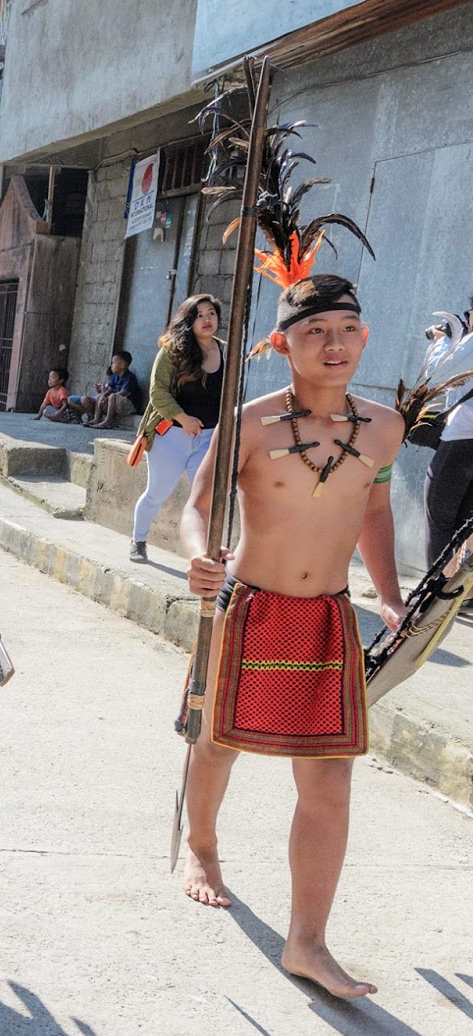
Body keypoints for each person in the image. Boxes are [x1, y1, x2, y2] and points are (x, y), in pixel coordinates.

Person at [180, 273, 404, 998]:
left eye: (345, 329)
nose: (333, 344)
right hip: (250, 607)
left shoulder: (384, 427)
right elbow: (199, 504)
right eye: (315, 332)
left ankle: (307, 941)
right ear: (281, 345)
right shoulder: (249, 422)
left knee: (330, 779)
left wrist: (393, 596)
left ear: (364, 337)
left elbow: (374, 515)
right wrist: (195, 555)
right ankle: (202, 847)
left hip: (329, 617)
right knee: (216, 740)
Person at [129, 294, 224, 563]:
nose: (206, 320)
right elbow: (157, 392)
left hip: (208, 438)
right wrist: (183, 418)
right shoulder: (173, 351)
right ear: (188, 320)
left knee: (203, 498)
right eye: (199, 315)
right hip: (171, 435)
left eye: (211, 314)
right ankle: (138, 540)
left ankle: (206, 554)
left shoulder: (224, 350)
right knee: (157, 493)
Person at [422, 323, 473, 567]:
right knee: (465, 523)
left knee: (439, 521)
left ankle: (436, 597)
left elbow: (437, 377)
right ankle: (463, 595)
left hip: (462, 437)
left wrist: (442, 339)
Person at [74, 350, 145, 428]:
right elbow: (110, 388)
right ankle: (96, 419)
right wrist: (103, 395)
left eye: (113, 363)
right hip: (118, 402)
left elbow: (123, 392)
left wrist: (108, 397)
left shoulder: (130, 377)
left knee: (112, 396)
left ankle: (108, 421)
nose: (111, 365)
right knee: (100, 396)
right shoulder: (116, 376)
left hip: (131, 405)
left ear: (122, 365)